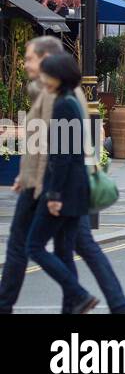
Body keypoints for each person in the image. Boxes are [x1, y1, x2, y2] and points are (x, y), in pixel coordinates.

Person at [0, 36, 72, 313]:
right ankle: (78, 300)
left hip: (45, 183)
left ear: (45, 59)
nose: (24, 63)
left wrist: (46, 188)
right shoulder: (44, 90)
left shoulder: (56, 94)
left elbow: (55, 142)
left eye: (29, 58)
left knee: (27, 245)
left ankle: (78, 297)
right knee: (67, 247)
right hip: (39, 181)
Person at [24, 52, 98, 313]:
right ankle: (73, 306)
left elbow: (63, 154)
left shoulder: (63, 105)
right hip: (75, 189)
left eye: (47, 73)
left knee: (34, 245)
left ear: (57, 76)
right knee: (64, 251)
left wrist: (54, 194)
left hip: (64, 190)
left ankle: (79, 294)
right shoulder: (69, 102)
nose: (42, 78)